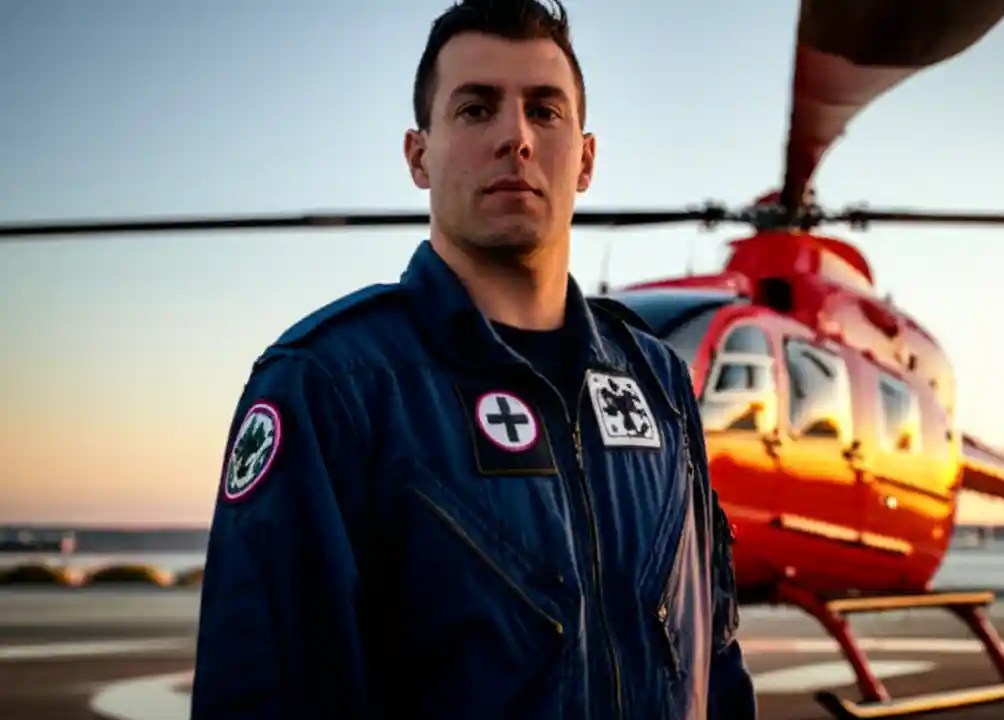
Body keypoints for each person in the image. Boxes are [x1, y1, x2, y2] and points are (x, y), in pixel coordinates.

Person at [190, 1, 757, 718]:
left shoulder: (658, 383)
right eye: (476, 109)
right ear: (418, 155)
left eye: (545, 111)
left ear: (584, 160)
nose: (515, 138)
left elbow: (716, 654)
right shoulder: (331, 384)